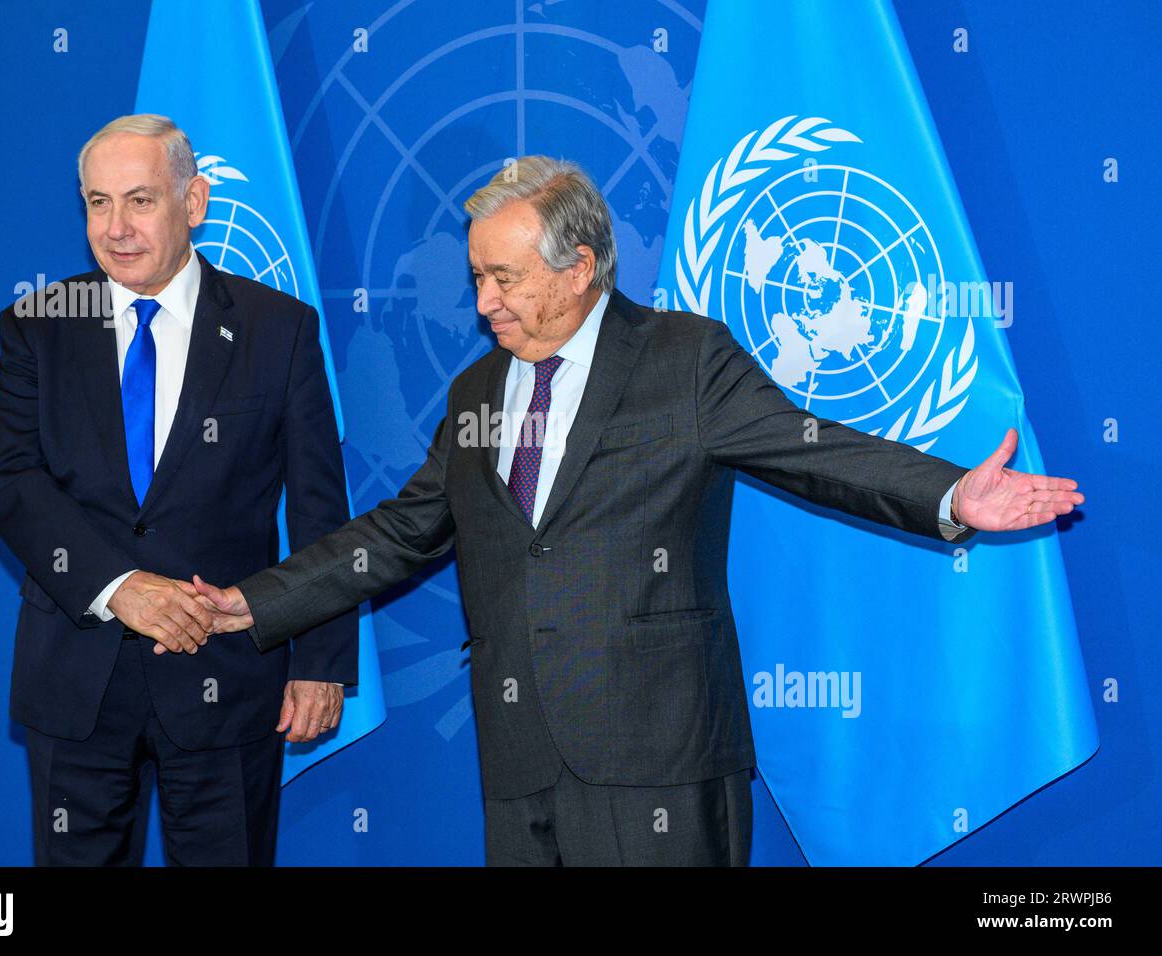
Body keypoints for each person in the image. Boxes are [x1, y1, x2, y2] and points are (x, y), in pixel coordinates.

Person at [192, 156, 1083, 866]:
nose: (483, 302)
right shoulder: (476, 388)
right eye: (475, 277)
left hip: (657, 758)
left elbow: (808, 450)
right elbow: (401, 530)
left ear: (580, 268)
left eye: (503, 278)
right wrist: (253, 602)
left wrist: (950, 492)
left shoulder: (683, 358)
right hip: (518, 756)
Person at [0, 114, 356, 866]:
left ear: (196, 201)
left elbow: (319, 508)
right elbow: (10, 482)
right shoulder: (39, 324)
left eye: (140, 200)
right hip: (76, 674)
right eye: (97, 202)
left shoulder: (277, 329)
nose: (115, 227)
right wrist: (117, 586)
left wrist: (319, 660)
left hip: (227, 673)